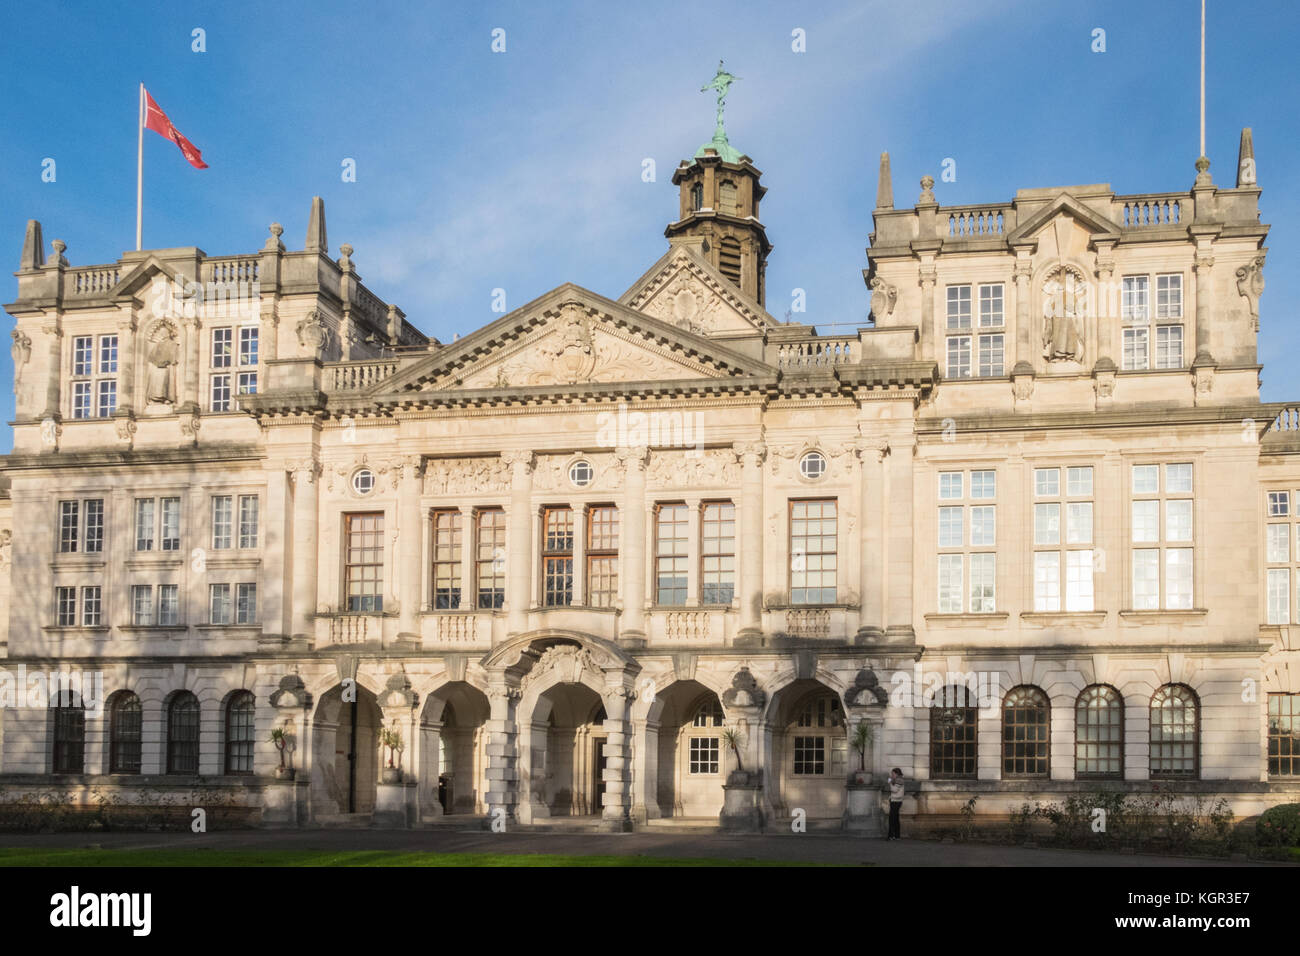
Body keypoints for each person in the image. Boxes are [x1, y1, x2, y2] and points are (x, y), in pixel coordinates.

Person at [887, 767, 904, 840]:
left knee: (892, 819)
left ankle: (891, 836)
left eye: (893, 773)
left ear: (896, 773)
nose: (892, 775)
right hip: (896, 801)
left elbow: (894, 790)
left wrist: (890, 783)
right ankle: (897, 836)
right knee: (895, 819)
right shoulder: (897, 779)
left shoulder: (899, 780)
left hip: (896, 801)